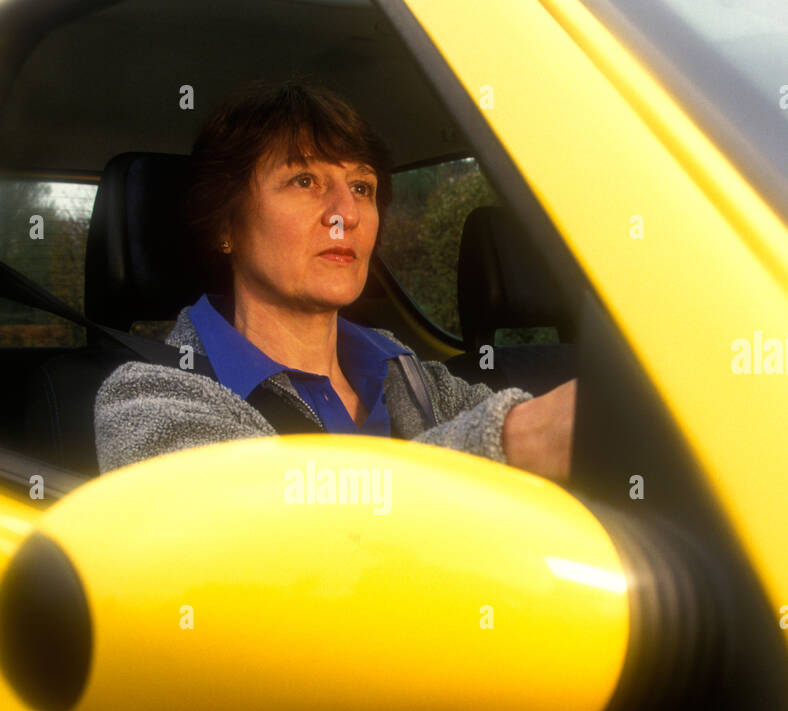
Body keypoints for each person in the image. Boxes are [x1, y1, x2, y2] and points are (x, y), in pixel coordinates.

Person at [94, 81, 576, 479]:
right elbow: (268, 540)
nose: (346, 215)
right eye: (304, 181)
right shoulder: (149, 399)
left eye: (362, 188)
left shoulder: (407, 373)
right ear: (226, 225)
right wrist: (515, 440)